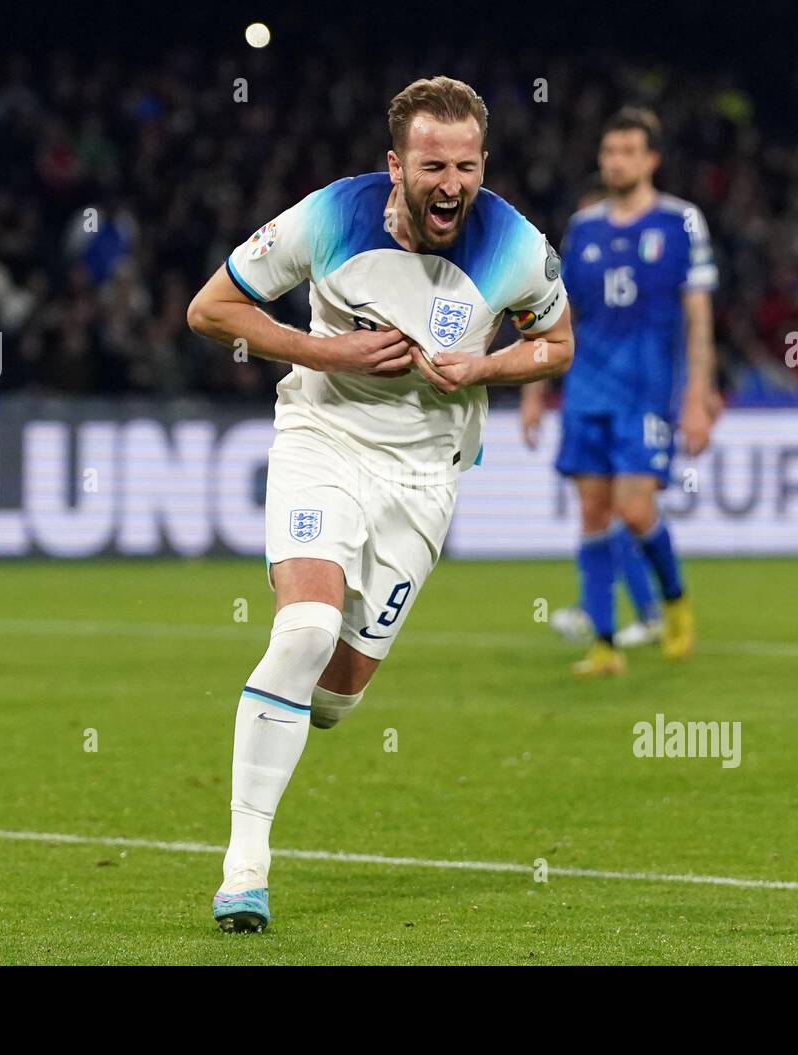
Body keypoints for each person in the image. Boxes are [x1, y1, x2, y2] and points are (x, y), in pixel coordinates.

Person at [186, 76, 573, 931]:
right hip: (321, 442)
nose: (452, 184)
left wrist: (482, 368)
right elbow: (210, 309)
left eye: (467, 165)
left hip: (425, 481)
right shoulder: (328, 216)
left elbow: (556, 342)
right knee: (305, 631)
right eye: (433, 165)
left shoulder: (515, 244)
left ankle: (301, 705)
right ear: (394, 165)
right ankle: (244, 866)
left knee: (335, 694)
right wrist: (327, 350)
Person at [520, 106, 719, 677]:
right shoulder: (583, 228)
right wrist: (535, 391)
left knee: (635, 509)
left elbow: (697, 316)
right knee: (591, 513)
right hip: (586, 390)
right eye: (609, 152)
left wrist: (697, 396)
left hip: (647, 392)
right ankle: (605, 645)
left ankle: (674, 602)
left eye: (629, 151)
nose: (617, 161)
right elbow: (558, 316)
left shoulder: (681, 223)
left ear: (651, 159)